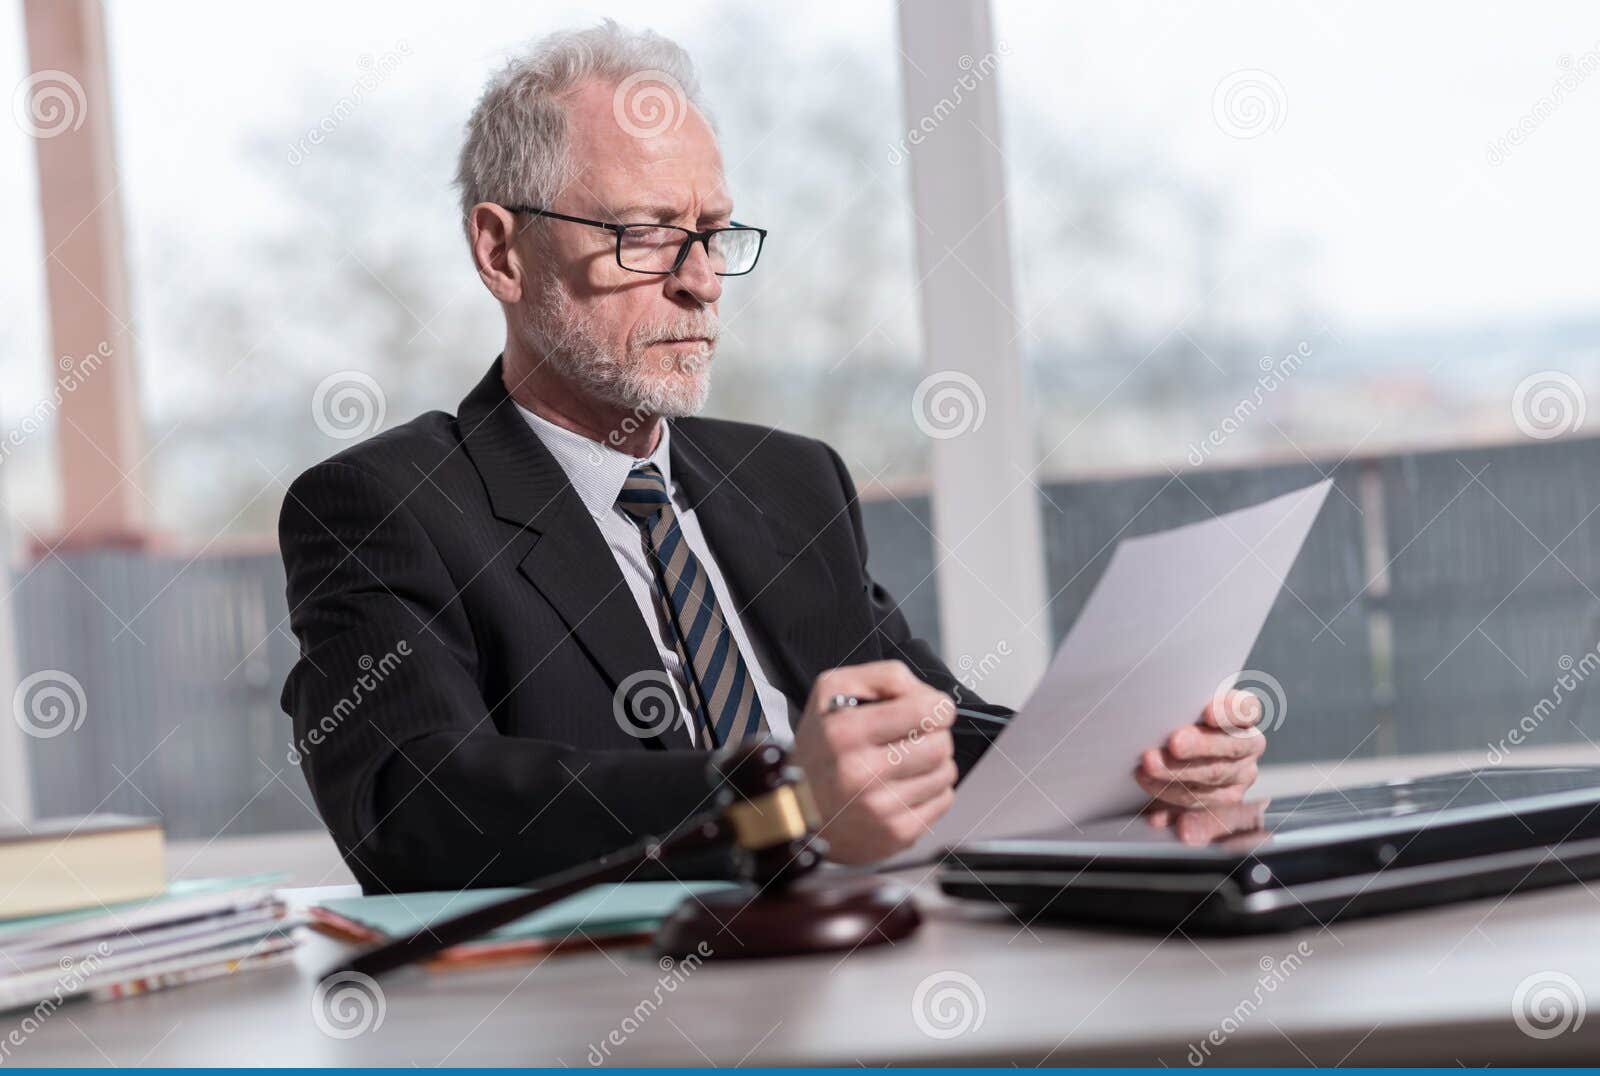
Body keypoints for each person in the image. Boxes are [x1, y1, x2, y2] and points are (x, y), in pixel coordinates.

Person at [278, 21, 1266, 894]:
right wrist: (782, 800)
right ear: (501, 252)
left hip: (880, 957)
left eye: (711, 233)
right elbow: (410, 809)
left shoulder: (790, 482)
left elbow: (928, 729)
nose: (702, 282)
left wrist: (1129, 759)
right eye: (646, 234)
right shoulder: (385, 506)